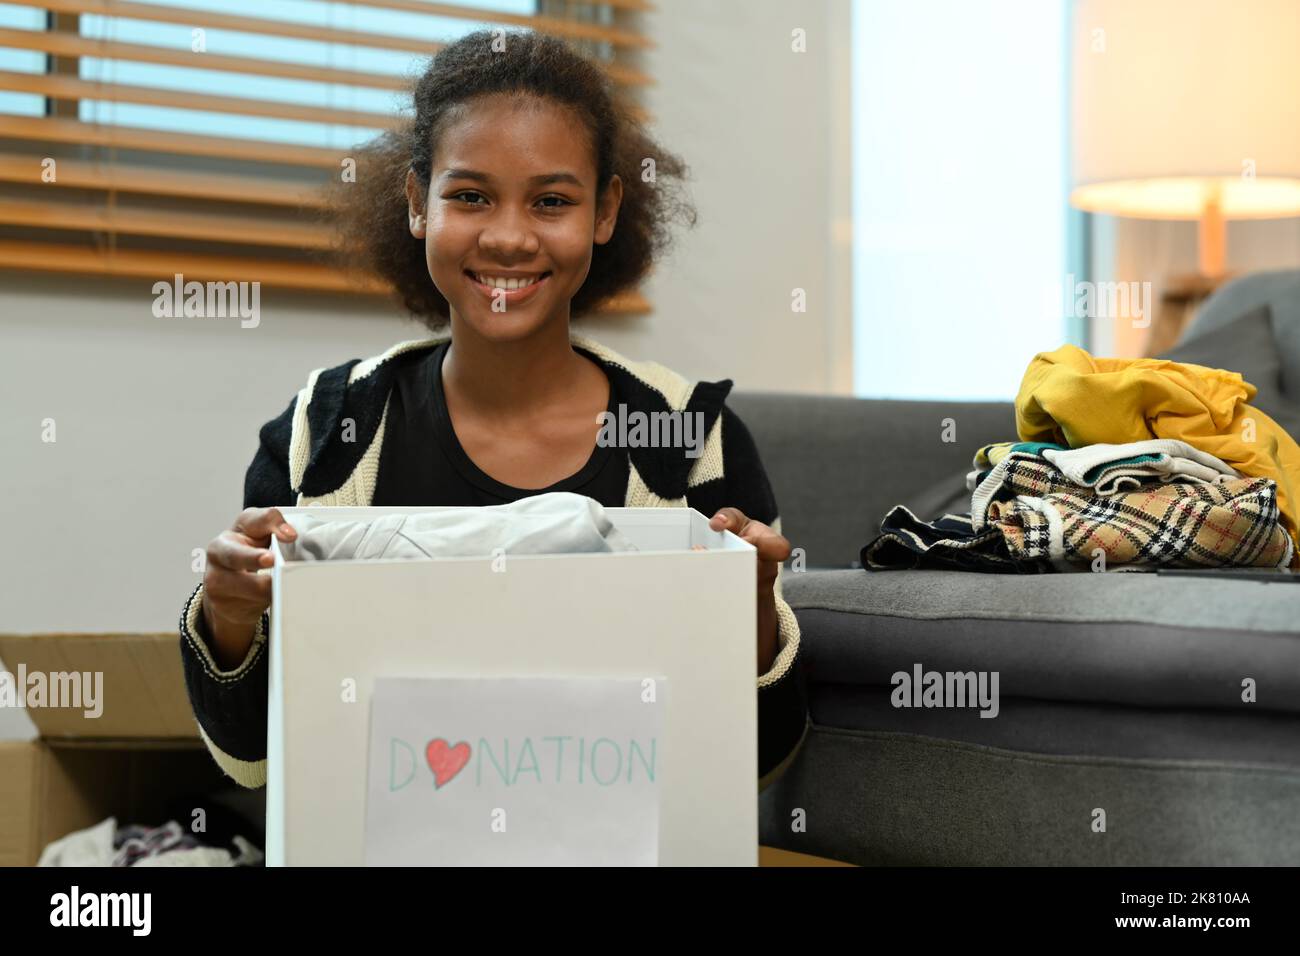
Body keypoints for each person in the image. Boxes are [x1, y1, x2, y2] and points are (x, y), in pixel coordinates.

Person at [178, 29, 808, 795]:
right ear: (418, 204)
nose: (509, 237)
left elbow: (759, 768)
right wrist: (229, 615)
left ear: (605, 210)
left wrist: (749, 616)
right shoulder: (326, 428)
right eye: (470, 196)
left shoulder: (692, 437)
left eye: (551, 201)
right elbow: (251, 763)